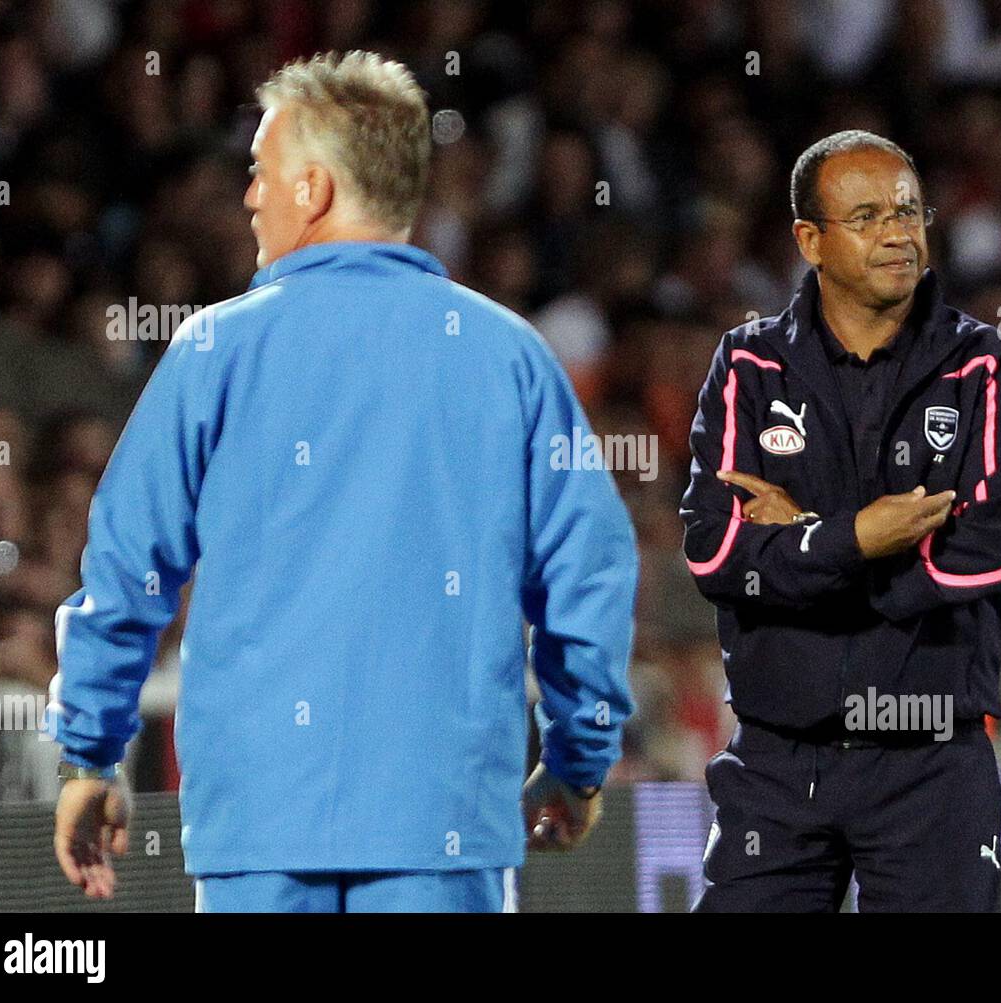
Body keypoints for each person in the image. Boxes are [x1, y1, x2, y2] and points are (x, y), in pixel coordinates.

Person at [49, 51, 637, 913]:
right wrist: (578, 761)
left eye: (259, 172)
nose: (249, 195)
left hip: (260, 829)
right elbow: (588, 574)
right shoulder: (511, 357)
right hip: (443, 828)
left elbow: (125, 568)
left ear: (314, 189)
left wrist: (89, 754)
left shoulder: (213, 353)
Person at [680, 130, 1001, 912]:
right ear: (809, 239)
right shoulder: (747, 366)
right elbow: (714, 555)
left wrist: (803, 536)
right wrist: (859, 537)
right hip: (778, 762)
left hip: (931, 764)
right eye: (869, 215)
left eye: (910, 211)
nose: (899, 233)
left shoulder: (980, 365)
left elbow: (982, 554)